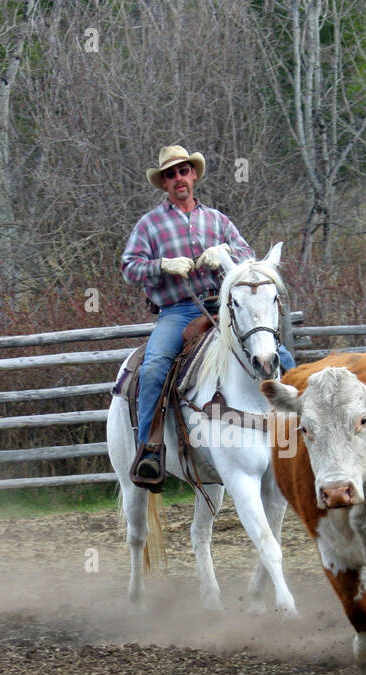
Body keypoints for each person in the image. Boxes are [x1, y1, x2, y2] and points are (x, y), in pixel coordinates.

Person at [121, 144, 295, 486]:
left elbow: (250, 258)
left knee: (283, 358)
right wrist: (161, 266)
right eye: (170, 175)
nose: (178, 178)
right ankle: (149, 448)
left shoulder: (217, 220)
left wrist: (225, 251)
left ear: (193, 174)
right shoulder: (150, 225)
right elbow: (129, 268)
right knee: (155, 365)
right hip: (178, 311)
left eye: (183, 171)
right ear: (164, 183)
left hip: (225, 308)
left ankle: (302, 433)